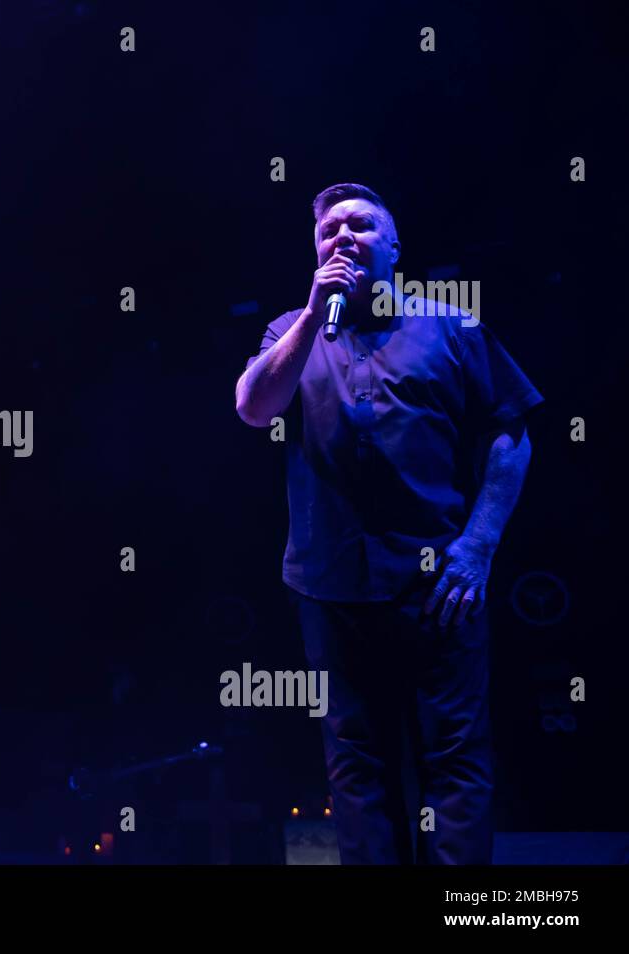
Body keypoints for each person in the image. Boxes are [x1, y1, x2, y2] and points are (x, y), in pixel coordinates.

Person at [236, 184, 543, 864]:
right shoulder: (292, 329)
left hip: (440, 583)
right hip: (330, 586)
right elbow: (254, 407)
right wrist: (314, 316)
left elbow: (511, 433)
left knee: (455, 764)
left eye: (362, 225)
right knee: (356, 770)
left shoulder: (452, 326)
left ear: (395, 246)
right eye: (329, 230)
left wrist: (480, 547)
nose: (343, 237)